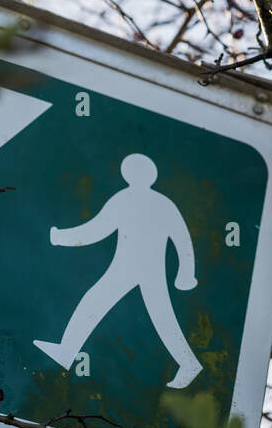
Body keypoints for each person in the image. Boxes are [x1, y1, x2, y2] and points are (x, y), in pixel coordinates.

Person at [33, 153, 203, 388]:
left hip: (144, 268)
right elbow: (97, 229)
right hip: (126, 266)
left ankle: (189, 364)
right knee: (97, 303)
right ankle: (67, 351)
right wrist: (186, 273)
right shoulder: (143, 201)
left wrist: (186, 273)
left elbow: (181, 239)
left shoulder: (146, 202)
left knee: (161, 317)